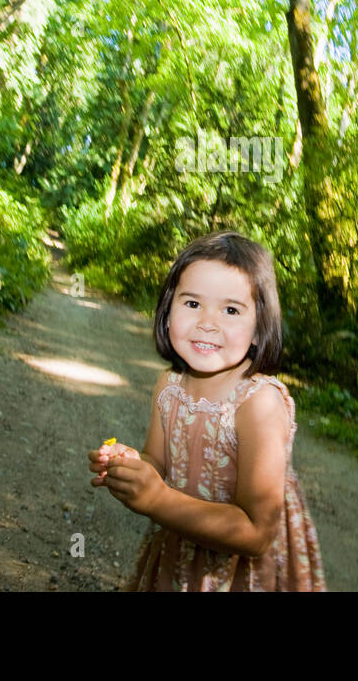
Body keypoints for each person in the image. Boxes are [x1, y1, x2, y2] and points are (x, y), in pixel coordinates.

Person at [87, 230, 326, 591]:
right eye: (192, 304)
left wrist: (158, 499)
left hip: (242, 574)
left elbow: (256, 534)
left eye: (230, 310)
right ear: (167, 312)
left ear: (259, 329)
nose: (207, 323)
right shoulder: (169, 386)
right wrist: (135, 466)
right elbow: (158, 461)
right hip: (182, 548)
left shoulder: (258, 403)